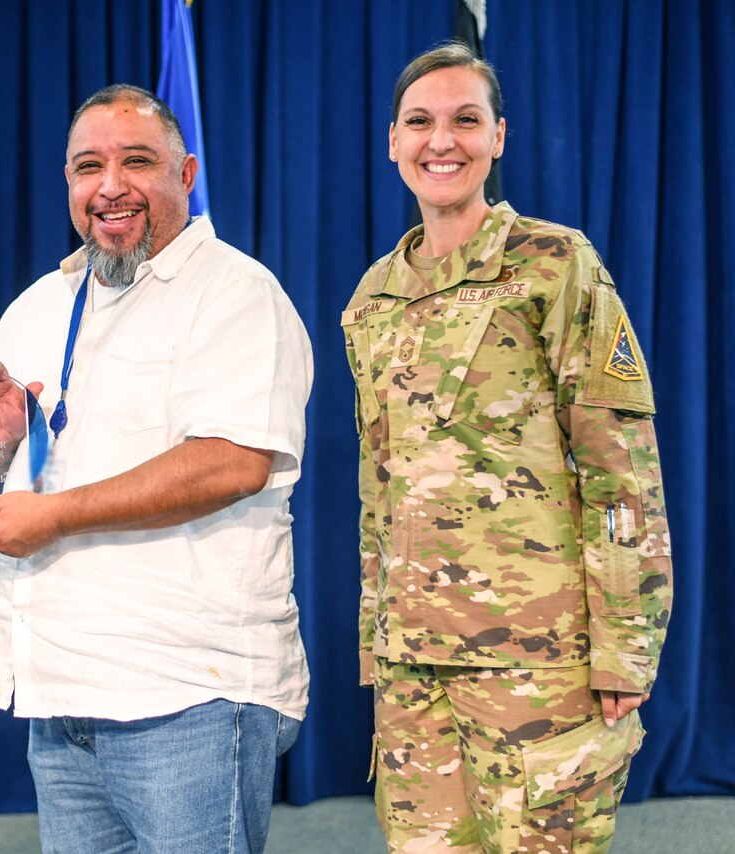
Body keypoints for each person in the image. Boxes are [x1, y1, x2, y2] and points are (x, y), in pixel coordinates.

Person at [0, 84, 313, 853]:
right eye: (88, 167)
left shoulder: (237, 294)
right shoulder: (38, 305)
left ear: (186, 174)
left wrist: (56, 514)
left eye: (135, 161)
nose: (109, 186)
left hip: (189, 698)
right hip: (61, 694)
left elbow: (231, 463)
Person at [342, 43, 673, 853]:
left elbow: (620, 465)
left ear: (499, 138)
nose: (441, 141)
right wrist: (374, 644)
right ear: (393, 141)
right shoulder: (371, 299)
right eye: (420, 122)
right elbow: (378, 488)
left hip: (540, 661)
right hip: (412, 667)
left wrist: (627, 645)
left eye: (465, 120)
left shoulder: (554, 264)